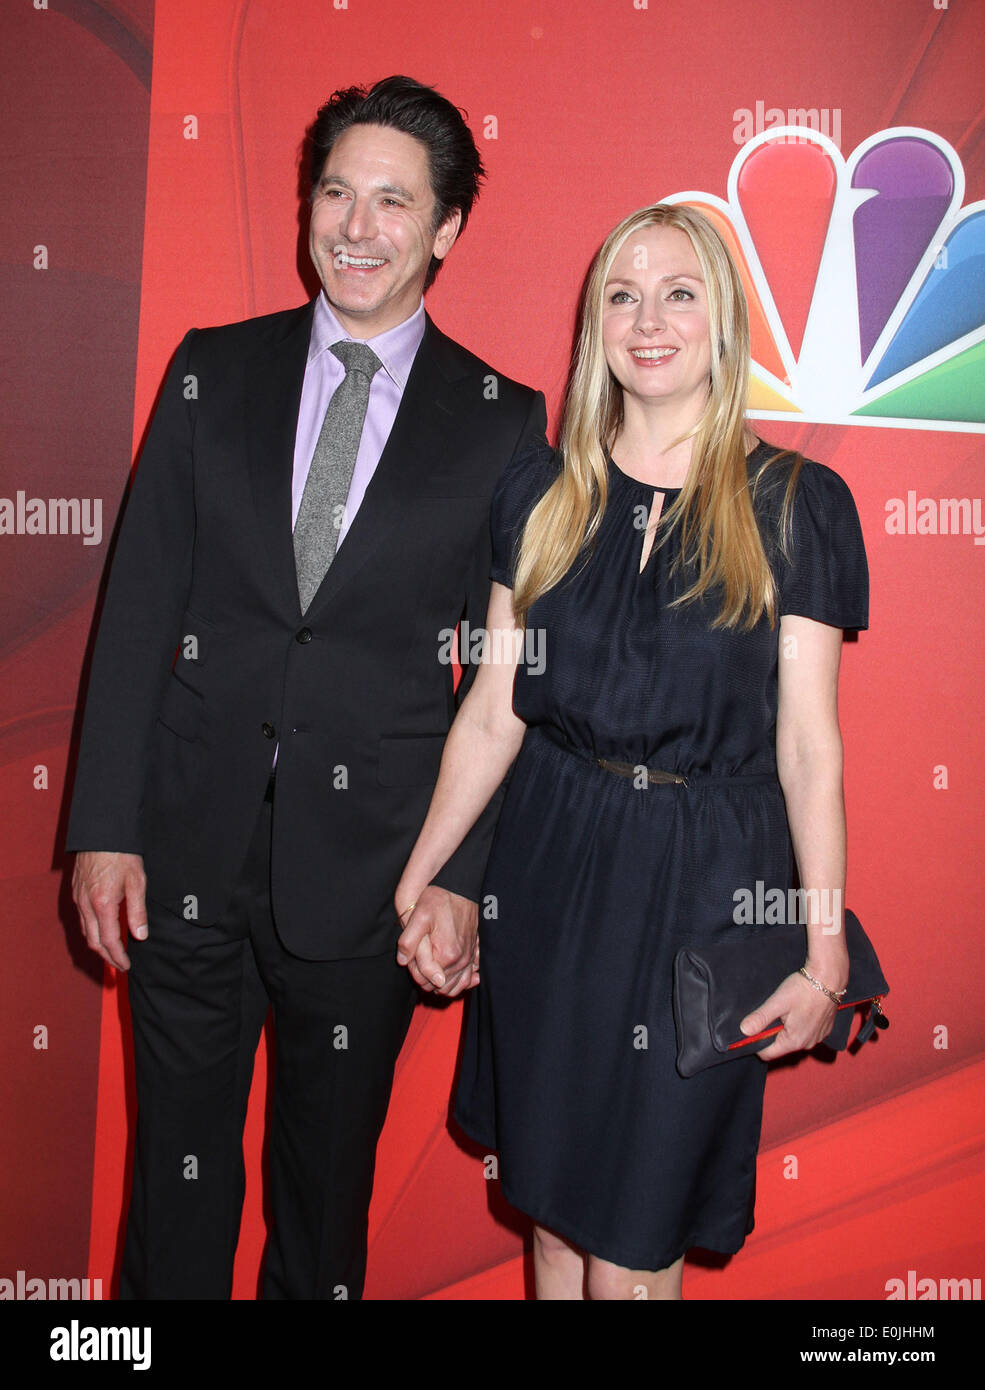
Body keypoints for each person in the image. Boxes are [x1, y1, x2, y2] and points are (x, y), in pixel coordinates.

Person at [66, 75, 546, 1300]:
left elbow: (506, 681)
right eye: (336, 192)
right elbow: (137, 613)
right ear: (307, 206)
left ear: (446, 229)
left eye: (394, 200)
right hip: (184, 845)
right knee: (173, 1184)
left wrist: (460, 877)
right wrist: (104, 827)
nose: (357, 226)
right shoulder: (208, 371)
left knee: (322, 1205)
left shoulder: (499, 422)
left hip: (373, 868)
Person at [394, 202, 869, 1299]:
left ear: (723, 320)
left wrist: (823, 946)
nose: (647, 321)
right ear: (593, 323)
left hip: (707, 891)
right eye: (622, 295)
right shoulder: (540, 493)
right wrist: (423, 877)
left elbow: (808, 748)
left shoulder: (795, 505)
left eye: (678, 294)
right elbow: (493, 709)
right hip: (550, 875)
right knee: (554, 1220)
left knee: (633, 1239)